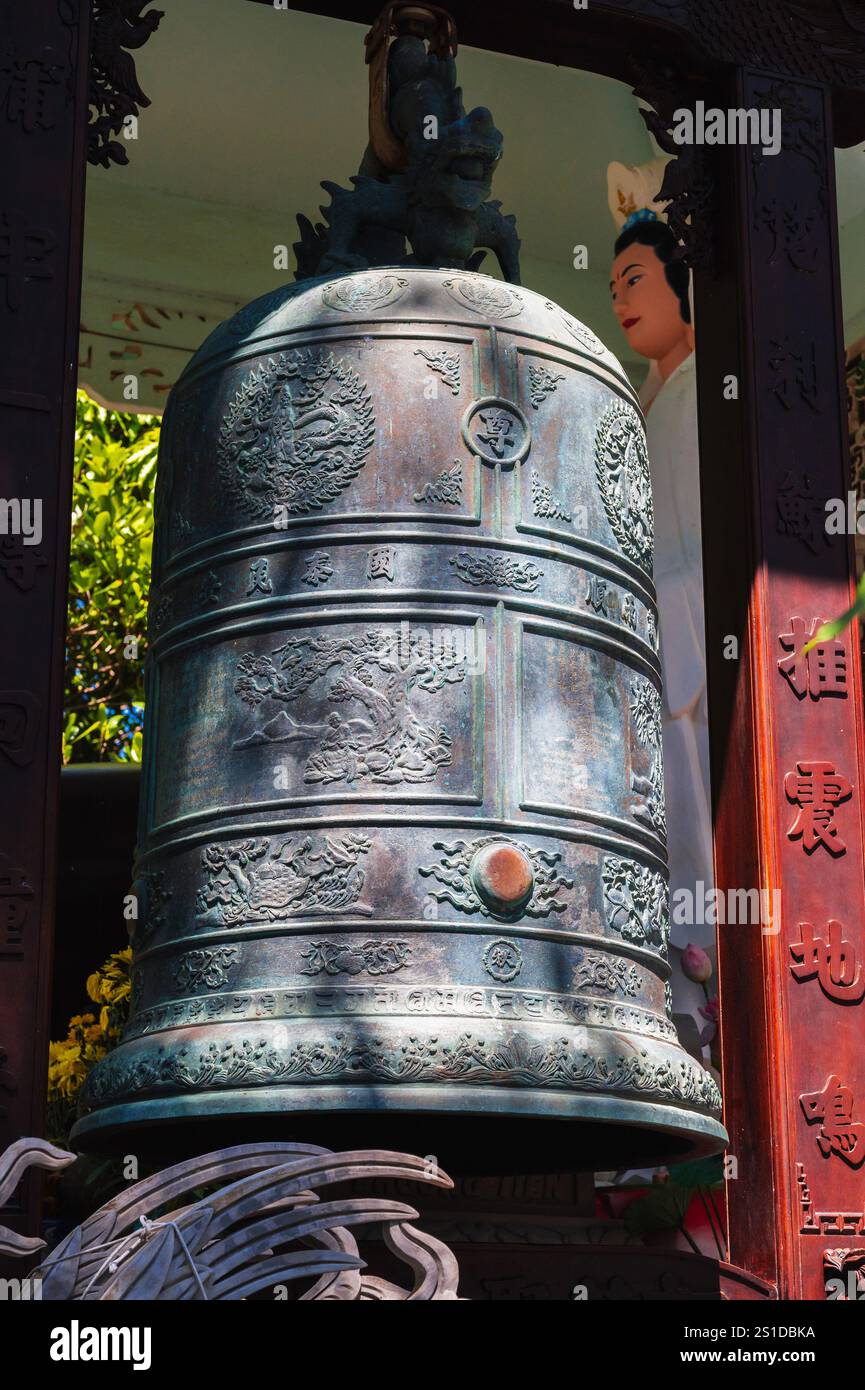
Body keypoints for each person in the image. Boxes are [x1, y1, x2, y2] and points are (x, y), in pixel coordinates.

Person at [608, 158, 715, 1031]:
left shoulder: (702, 393)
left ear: (686, 283)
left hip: (691, 624)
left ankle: (708, 972)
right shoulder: (653, 397)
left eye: (636, 277)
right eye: (612, 284)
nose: (619, 298)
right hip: (656, 627)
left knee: (697, 797)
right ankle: (681, 981)